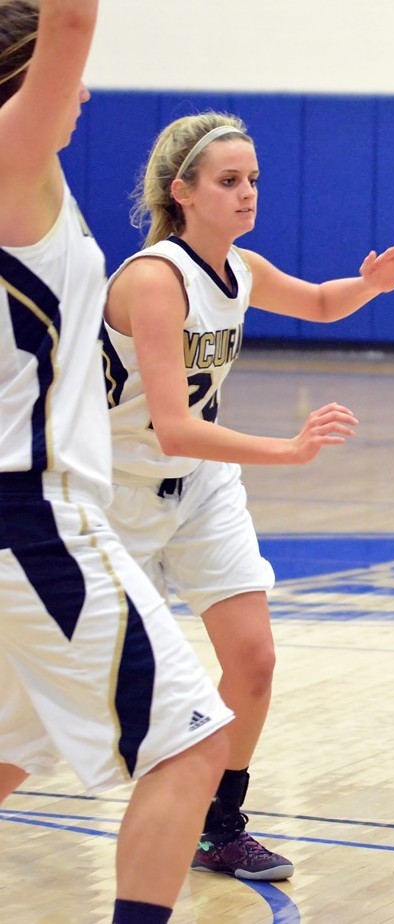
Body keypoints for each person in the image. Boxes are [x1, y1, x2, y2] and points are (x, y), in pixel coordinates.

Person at [99, 110, 394, 882]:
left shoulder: (239, 269)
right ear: (182, 192)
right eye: (228, 181)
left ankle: (219, 825)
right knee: (74, 700)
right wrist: (287, 449)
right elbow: (174, 428)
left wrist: (369, 286)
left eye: (252, 179)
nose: (247, 193)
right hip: (115, 495)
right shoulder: (154, 279)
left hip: (201, 491)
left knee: (253, 659)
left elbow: (318, 302)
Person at [0, 3, 234, 923]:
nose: (85, 90)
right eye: (66, 76)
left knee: (10, 749)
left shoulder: (29, 175)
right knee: (190, 744)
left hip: (24, 514)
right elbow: (71, 19)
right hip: (36, 515)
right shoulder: (15, 160)